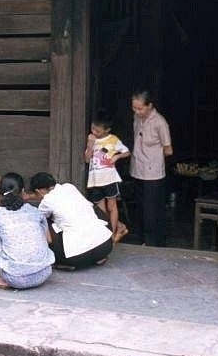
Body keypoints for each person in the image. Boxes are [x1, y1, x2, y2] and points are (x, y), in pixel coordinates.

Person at [0, 172, 54, 289]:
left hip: (16, 279)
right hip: (44, 273)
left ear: (1, 193)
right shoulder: (36, 211)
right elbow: (48, 240)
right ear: (23, 191)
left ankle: (4, 277)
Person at [29, 172, 113, 270]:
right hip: (105, 247)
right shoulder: (69, 187)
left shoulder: (46, 201)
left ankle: (63, 262)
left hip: (77, 257)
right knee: (89, 210)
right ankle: (97, 258)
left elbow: (38, 219)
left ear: (39, 191)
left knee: (44, 221)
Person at [129, 89, 173, 247]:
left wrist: (153, 157)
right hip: (137, 169)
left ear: (150, 106)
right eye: (134, 108)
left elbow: (168, 150)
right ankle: (141, 240)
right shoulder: (137, 118)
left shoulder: (160, 122)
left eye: (140, 108)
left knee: (152, 211)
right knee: (140, 209)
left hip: (153, 172)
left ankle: (154, 243)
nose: (136, 111)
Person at [84, 110, 130, 242]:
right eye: (93, 128)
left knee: (111, 207)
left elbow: (127, 152)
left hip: (109, 178)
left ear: (107, 130)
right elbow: (87, 159)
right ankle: (107, 234)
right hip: (95, 180)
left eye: (98, 131)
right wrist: (90, 145)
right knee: (101, 210)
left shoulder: (113, 140)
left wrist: (117, 156)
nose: (94, 132)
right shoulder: (91, 139)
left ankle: (112, 235)